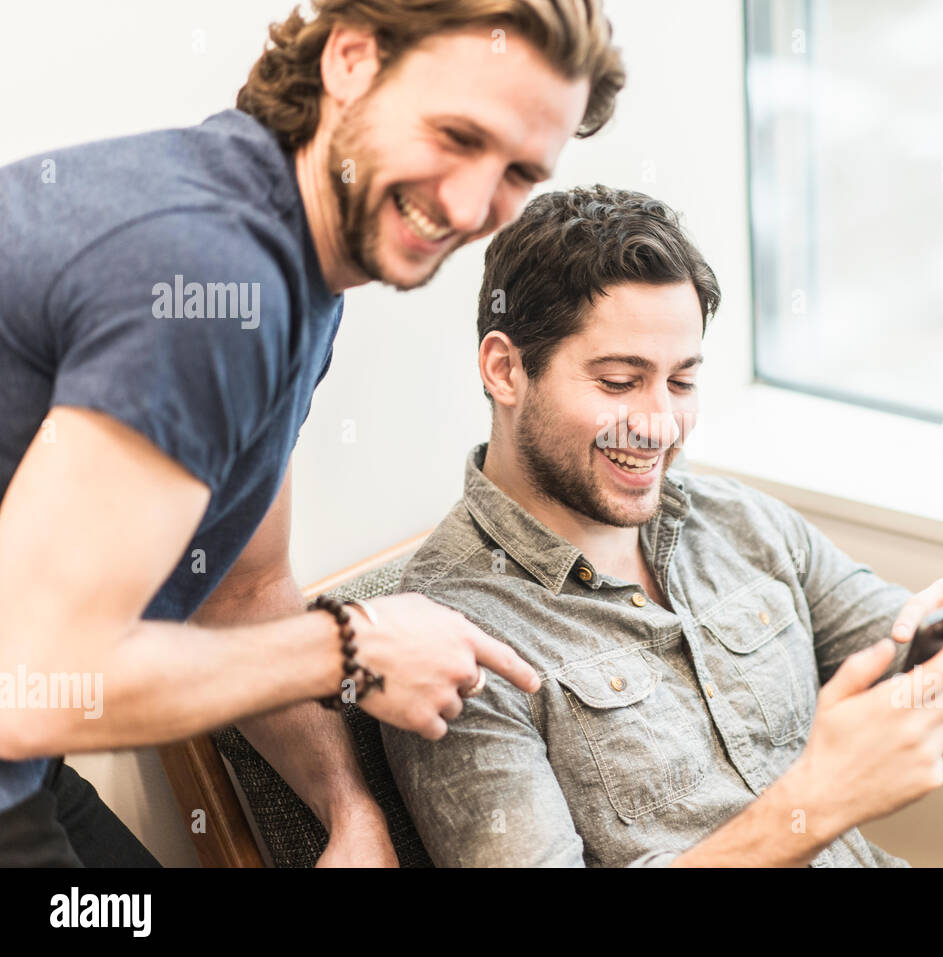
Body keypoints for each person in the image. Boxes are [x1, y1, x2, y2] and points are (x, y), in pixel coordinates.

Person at [0, 0, 625, 866]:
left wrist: (348, 808)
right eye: (456, 133)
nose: (472, 202)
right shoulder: (215, 277)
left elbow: (241, 591)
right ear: (352, 61)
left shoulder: (294, 278)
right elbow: (26, 682)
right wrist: (352, 647)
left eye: (520, 170)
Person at [381, 185, 943, 866]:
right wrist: (813, 805)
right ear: (505, 370)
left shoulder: (739, 524)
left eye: (683, 380)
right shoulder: (448, 635)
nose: (661, 424)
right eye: (619, 382)